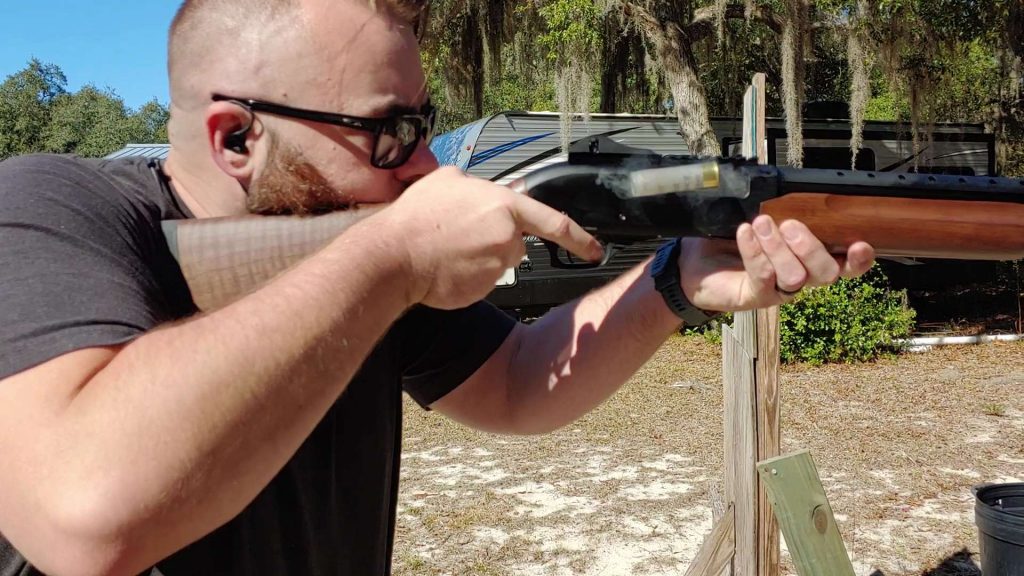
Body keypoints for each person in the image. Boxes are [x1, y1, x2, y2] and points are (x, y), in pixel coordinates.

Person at [0, 0, 875, 574]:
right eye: (389, 131)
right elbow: (85, 516)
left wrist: (674, 283)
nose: (425, 162)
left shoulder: (343, 259)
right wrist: (393, 257)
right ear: (235, 139)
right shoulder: (51, 209)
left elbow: (517, 380)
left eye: (424, 122)